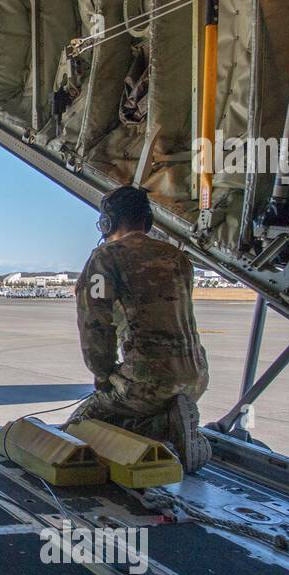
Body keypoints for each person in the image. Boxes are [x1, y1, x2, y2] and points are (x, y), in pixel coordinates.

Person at [68, 185, 211, 471]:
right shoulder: (178, 258)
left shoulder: (105, 258)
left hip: (145, 383)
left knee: (76, 433)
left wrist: (104, 375)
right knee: (135, 409)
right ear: (147, 220)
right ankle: (171, 421)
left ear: (106, 222)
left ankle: (166, 426)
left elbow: (95, 325)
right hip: (196, 378)